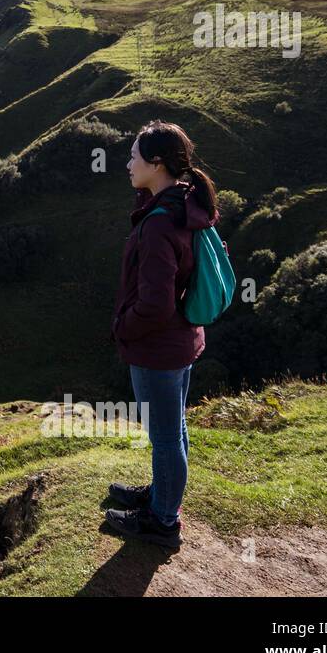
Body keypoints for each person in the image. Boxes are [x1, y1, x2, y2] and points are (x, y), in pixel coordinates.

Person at [104, 120, 220, 550]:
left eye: (134, 156)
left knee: (166, 435)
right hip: (182, 339)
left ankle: (163, 522)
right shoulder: (185, 203)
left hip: (158, 347)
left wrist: (122, 328)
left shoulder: (158, 224)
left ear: (156, 163)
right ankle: (161, 496)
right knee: (174, 429)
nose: (128, 163)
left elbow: (155, 304)